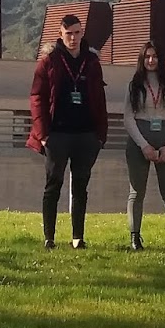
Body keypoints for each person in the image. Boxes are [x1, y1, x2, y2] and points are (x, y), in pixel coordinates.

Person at [26, 14, 109, 249]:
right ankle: (49, 237)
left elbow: (100, 99)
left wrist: (100, 136)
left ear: (82, 34)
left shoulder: (91, 61)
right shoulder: (50, 60)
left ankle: (77, 237)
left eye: (77, 33)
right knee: (53, 184)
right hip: (57, 134)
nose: (73, 38)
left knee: (81, 186)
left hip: (86, 134)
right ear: (61, 35)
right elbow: (37, 97)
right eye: (68, 33)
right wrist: (43, 135)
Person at [123, 41, 165, 252]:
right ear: (142, 60)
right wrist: (143, 145)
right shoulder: (135, 85)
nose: (151, 60)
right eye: (147, 57)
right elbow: (128, 118)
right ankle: (135, 238)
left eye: (155, 56)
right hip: (140, 142)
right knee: (137, 192)